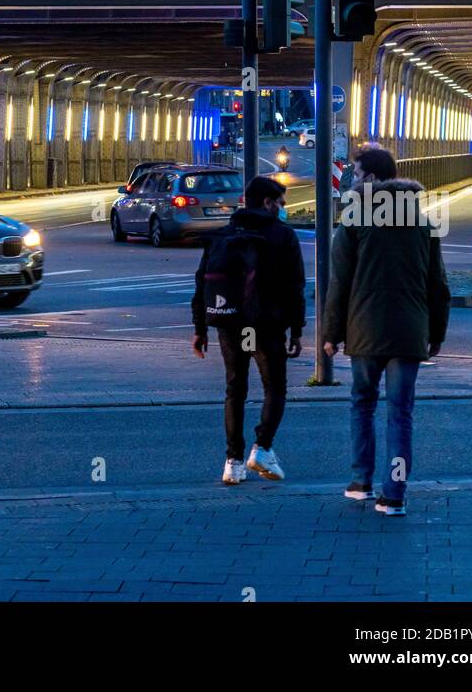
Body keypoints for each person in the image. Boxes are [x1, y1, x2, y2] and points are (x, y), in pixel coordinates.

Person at [323, 143, 450, 517]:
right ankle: (394, 494)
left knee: (362, 404)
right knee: (401, 412)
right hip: (410, 334)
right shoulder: (423, 222)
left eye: (357, 174)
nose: (353, 180)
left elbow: (339, 282)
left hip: (364, 332)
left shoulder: (355, 220)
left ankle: (361, 481)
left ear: (373, 179)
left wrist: (331, 333)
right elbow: (437, 286)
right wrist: (436, 333)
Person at [192, 175, 306, 485]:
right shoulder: (283, 236)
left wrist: (200, 327)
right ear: (268, 203)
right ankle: (263, 448)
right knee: (274, 388)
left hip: (230, 324)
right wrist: (297, 328)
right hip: (265, 325)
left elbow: (203, 281)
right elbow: (295, 286)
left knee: (235, 390)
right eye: (280, 203)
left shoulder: (226, 234)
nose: (283, 209)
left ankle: (233, 462)